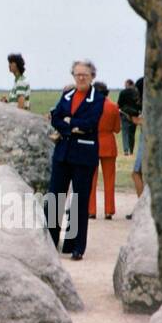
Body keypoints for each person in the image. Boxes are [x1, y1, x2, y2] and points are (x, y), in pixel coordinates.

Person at [45, 59, 105, 260]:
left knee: (78, 202)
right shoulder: (67, 95)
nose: (80, 78)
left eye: (84, 75)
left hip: (84, 156)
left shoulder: (98, 98)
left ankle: (75, 246)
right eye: (77, 74)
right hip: (63, 154)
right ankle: (51, 243)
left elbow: (90, 122)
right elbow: (55, 117)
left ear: (92, 77)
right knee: (55, 199)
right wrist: (71, 126)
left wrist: (69, 123)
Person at [88, 80, 121, 220]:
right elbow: (117, 129)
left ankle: (91, 210)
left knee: (91, 180)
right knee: (109, 179)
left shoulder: (89, 107)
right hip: (108, 144)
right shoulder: (113, 107)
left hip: (93, 143)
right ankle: (109, 210)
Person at [117, 78, 141, 155]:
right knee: (132, 133)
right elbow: (140, 104)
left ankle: (126, 150)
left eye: (125, 84)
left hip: (124, 114)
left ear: (128, 84)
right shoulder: (137, 92)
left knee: (125, 132)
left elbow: (119, 103)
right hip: (135, 115)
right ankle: (131, 150)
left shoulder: (123, 92)